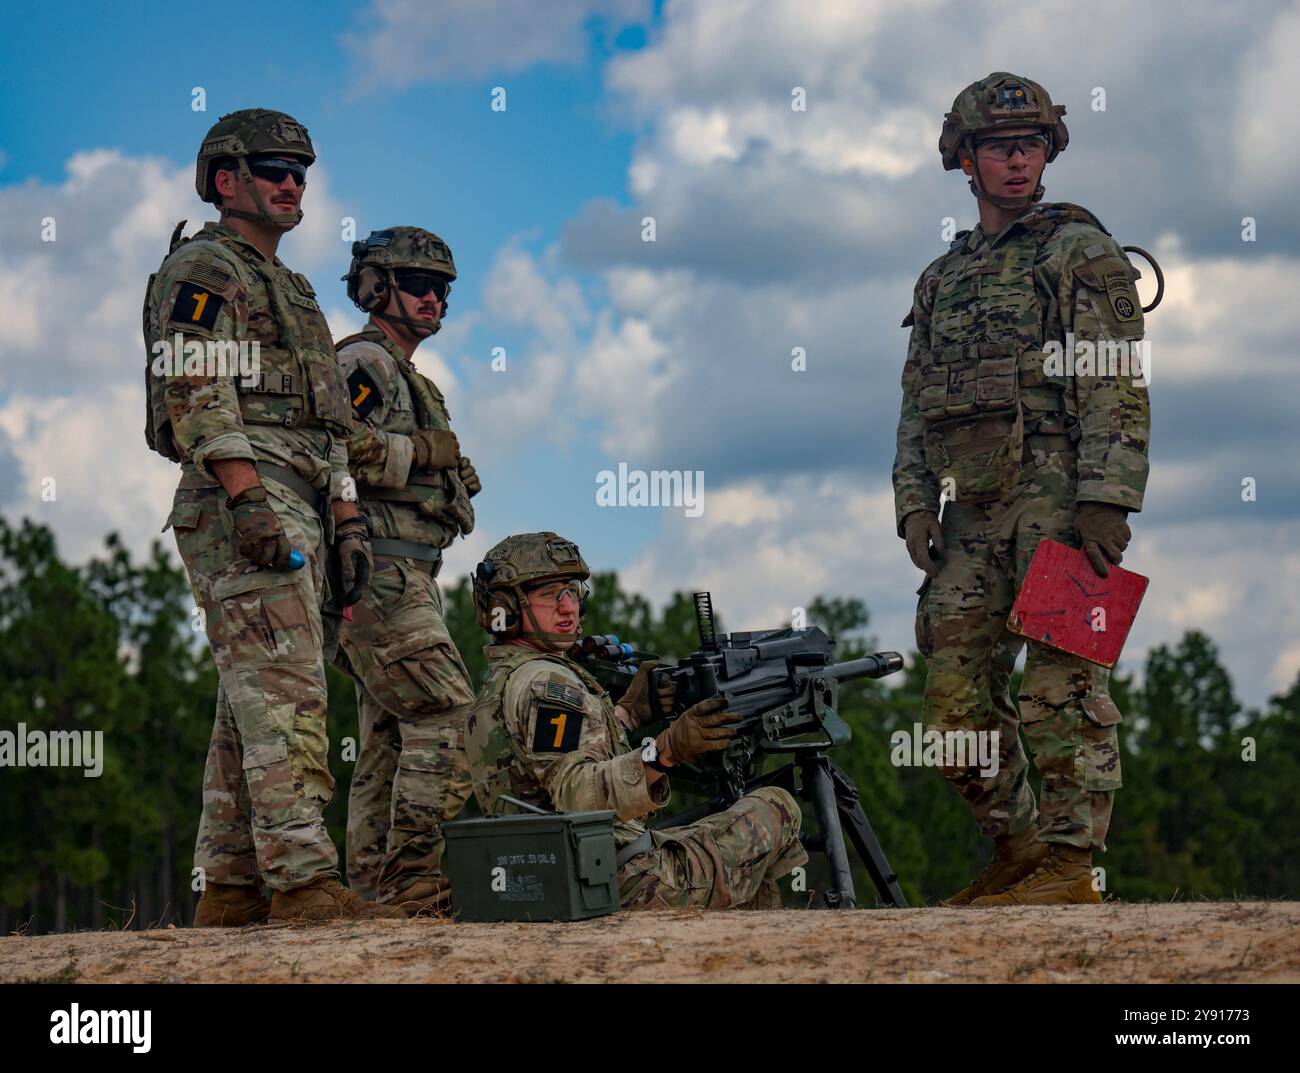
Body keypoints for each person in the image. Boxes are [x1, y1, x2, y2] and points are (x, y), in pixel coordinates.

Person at [893, 74, 1150, 906]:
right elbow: (915, 399)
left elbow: (1115, 379)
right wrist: (911, 502)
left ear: (1049, 153)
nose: (1017, 159)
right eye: (1000, 146)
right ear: (964, 159)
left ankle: (1073, 866)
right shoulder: (942, 278)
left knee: (1063, 689)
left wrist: (1106, 496)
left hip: (1059, 493)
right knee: (950, 711)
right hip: (968, 509)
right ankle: (1021, 849)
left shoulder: (1078, 252)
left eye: (1032, 144)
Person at [144, 109, 402, 924]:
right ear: (228, 179)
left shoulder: (290, 288)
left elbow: (328, 422)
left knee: (249, 697)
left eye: (302, 170)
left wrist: (349, 518)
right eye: (273, 167)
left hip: (304, 495)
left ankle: (230, 887)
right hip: (241, 494)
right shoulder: (205, 267)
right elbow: (196, 387)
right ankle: (302, 881)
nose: (293, 183)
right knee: (287, 692)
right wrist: (248, 495)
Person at [465, 532, 807, 909]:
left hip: (546, 879)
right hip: (620, 883)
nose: (569, 608)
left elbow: (552, 761)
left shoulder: (501, 681)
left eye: (573, 592)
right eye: (550, 595)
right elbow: (577, 795)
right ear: (506, 608)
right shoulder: (550, 683)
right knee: (775, 805)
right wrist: (666, 750)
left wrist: (626, 715)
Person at [332, 227, 481, 914]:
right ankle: (415, 876)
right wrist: (423, 452)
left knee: (392, 732)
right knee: (448, 710)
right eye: (418, 284)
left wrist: (447, 474)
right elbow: (327, 444)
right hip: (380, 573)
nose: (433, 299)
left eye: (443, 288)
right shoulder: (367, 362)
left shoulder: (408, 374)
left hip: (407, 575)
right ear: (376, 288)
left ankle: (372, 885)